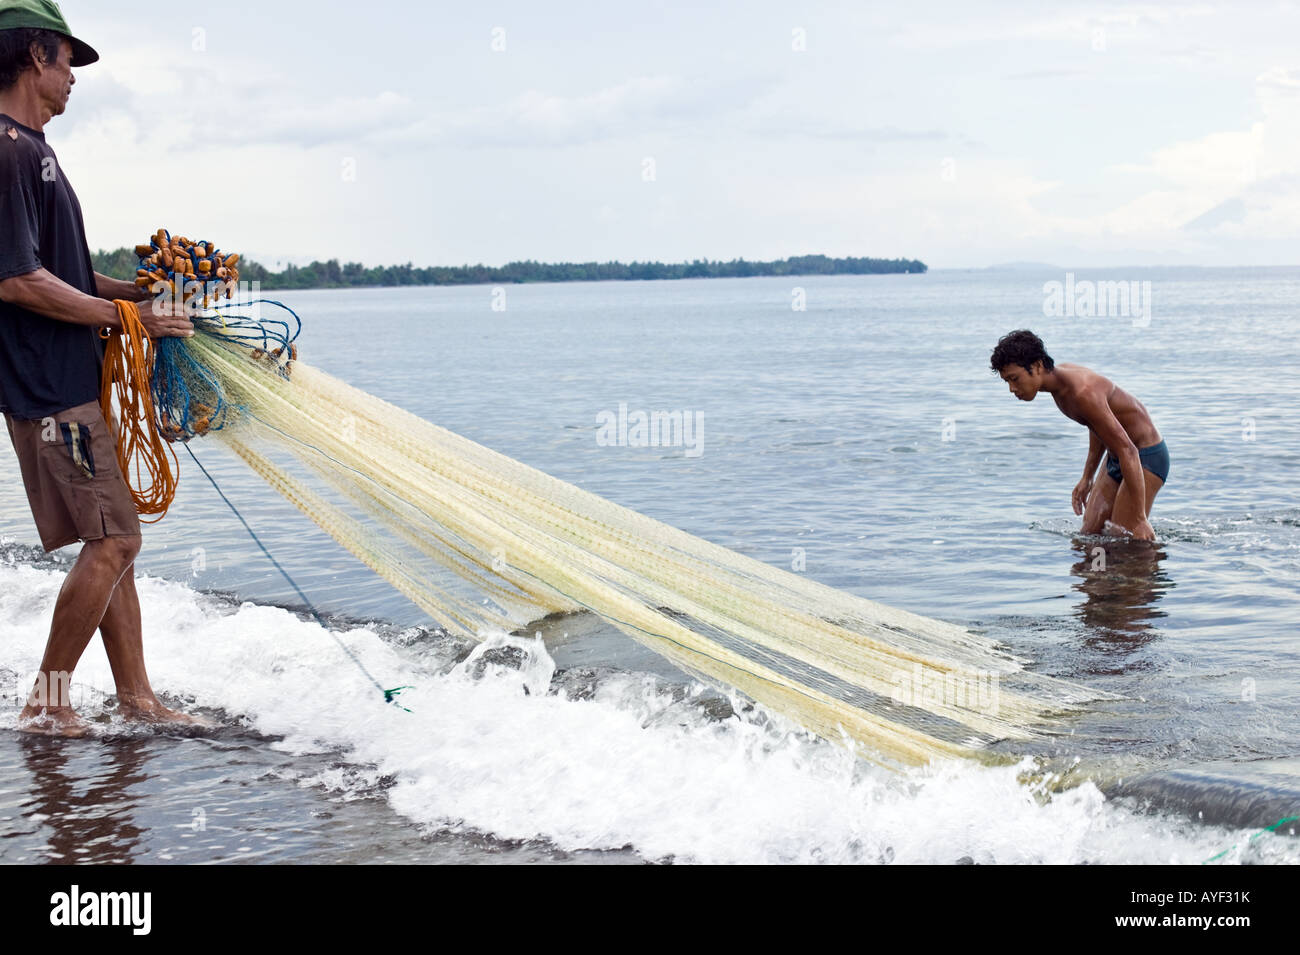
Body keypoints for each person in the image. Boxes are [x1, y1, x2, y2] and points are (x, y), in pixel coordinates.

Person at [0, 0, 196, 736]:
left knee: (115, 542)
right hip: (49, 391)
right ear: (31, 56)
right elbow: (16, 280)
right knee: (115, 540)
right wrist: (130, 319)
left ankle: (136, 696)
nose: (74, 78)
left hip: (66, 383)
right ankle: (47, 700)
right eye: (66, 60)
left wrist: (132, 293)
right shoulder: (8, 150)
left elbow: (63, 271)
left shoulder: (34, 150)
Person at [990, 329, 1167, 541]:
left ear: (1037, 366)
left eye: (1014, 379)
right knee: (1088, 535)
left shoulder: (1082, 392)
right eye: (1007, 381)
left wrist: (1139, 518)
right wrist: (1087, 476)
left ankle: (1148, 564)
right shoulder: (1061, 387)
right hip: (1118, 457)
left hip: (1144, 457)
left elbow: (1128, 449)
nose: (1011, 389)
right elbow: (1098, 425)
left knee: (1125, 539)